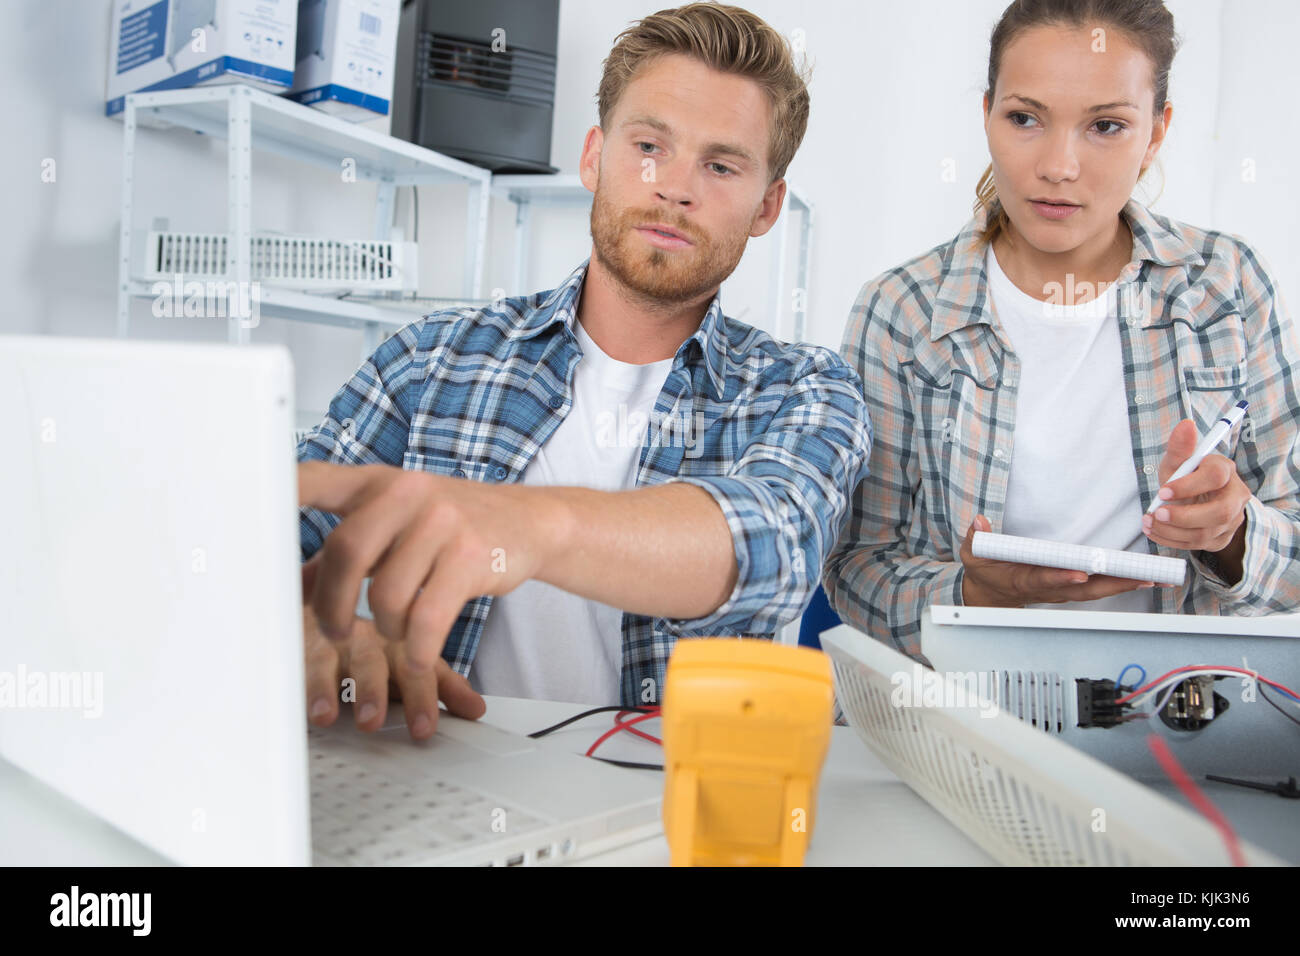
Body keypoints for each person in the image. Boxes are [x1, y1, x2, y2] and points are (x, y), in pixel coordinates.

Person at [297, 2, 872, 737]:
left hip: (671, 819)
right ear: (596, 156)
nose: (674, 186)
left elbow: (770, 541)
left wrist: (532, 526)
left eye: (721, 165)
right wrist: (314, 626)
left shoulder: (806, 390)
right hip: (437, 782)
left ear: (767, 206)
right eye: (649, 146)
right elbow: (262, 538)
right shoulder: (429, 360)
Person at [825, 0, 1300, 659]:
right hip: (968, 721)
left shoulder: (1227, 285)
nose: (1059, 166)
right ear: (986, 112)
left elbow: (1295, 558)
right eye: (1025, 118)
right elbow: (856, 568)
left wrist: (1233, 533)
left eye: (1106, 125)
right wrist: (979, 594)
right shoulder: (900, 310)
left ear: (1157, 133)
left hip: (1180, 722)